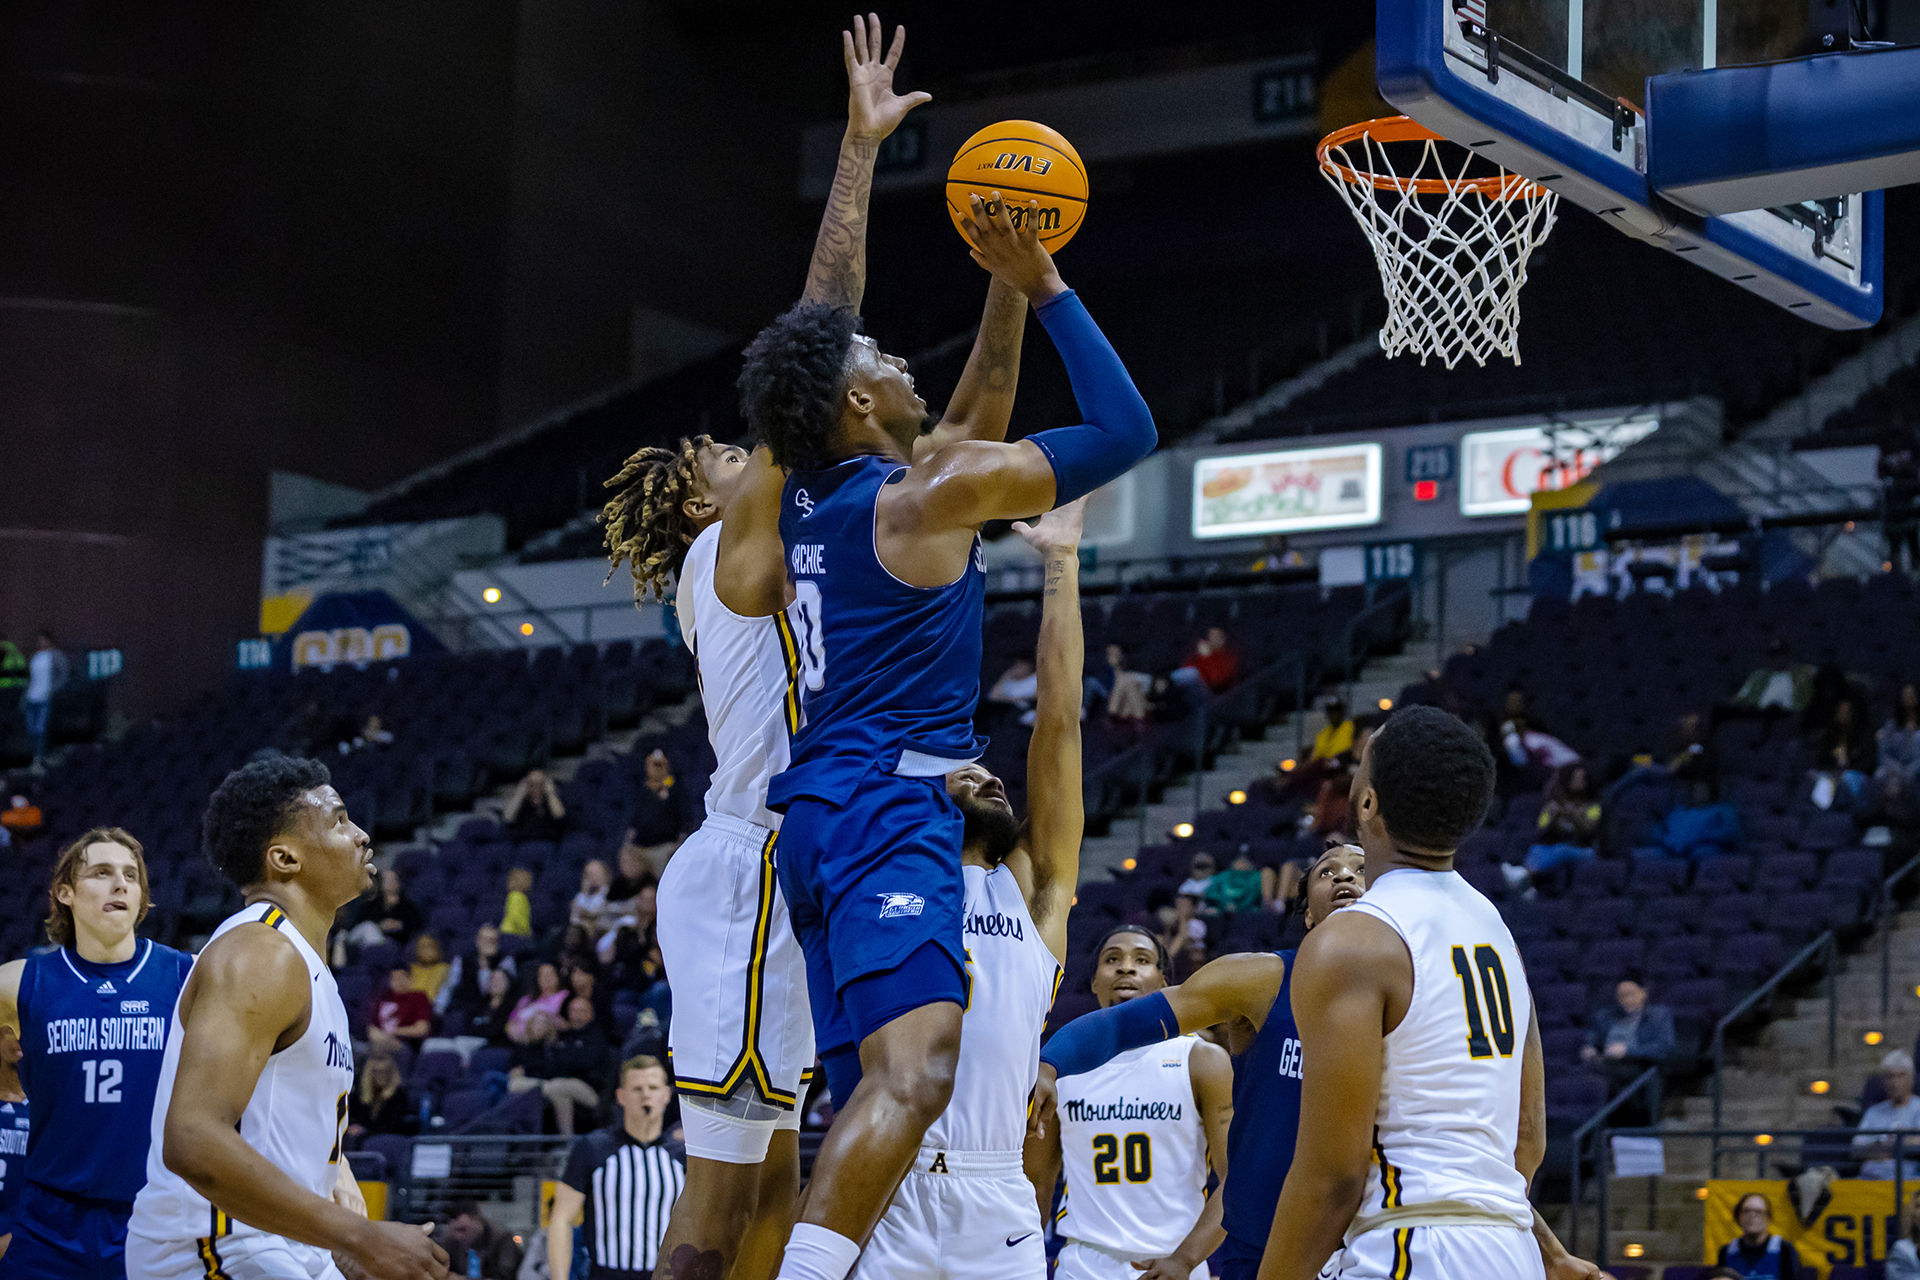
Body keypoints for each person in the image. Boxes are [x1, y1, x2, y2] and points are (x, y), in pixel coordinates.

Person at [723, 17, 1153, 1280]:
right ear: (859, 404)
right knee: (917, 1070)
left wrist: (887, 173)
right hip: (882, 802)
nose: (901, 362)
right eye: (881, 361)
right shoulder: (916, 503)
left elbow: (888, 361)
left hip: (822, 806)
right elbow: (1125, 427)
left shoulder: (816, 489)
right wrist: (1058, 286)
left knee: (886, 1072)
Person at [851, 498, 1087, 1279]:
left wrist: (1061, 563)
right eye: (960, 764)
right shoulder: (886, 875)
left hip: (997, 1194)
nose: (985, 769)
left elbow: (1059, 724)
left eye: (988, 765)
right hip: (890, 1179)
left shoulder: (1032, 892)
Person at [1264, 706, 1574, 1280]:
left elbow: (1332, 1178)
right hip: (1510, 1247)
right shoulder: (1496, 928)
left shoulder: (1352, 942)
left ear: (1367, 804)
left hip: (1414, 1245)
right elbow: (1527, 1137)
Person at [126, 755, 447, 1280]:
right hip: (215, 1250)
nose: (363, 835)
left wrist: (333, 1225)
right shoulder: (260, 952)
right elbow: (190, 1137)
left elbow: (276, 1130)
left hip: (274, 1246)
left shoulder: (303, 962)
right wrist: (362, 1237)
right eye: (340, 821)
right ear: (285, 858)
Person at [1033, 846, 1369, 1280]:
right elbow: (1122, 1025)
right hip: (1262, 1247)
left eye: (1361, 870)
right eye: (1328, 872)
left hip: (1371, 1236)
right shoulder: (1260, 980)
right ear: (1306, 916)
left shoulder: (1421, 992)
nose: (1344, 877)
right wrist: (1050, 1063)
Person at [0, 828, 194, 1280]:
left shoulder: (187, 975)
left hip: (154, 1216)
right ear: (64, 892)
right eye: (102, 872)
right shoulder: (21, 981)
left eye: (131, 875)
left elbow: (276, 1064)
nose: (120, 883)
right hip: (48, 1221)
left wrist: (335, 1159)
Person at [1037, 925, 1233, 1280]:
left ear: (1164, 983)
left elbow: (1238, 1178)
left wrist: (1185, 1260)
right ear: (1094, 981)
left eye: (1142, 960)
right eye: (1112, 960)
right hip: (1084, 1263)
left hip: (1176, 1262)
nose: (1126, 968)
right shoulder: (1057, 1069)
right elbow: (1036, 1184)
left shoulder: (1202, 1060)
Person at [549, 1056, 686, 1280]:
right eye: (637, 1088)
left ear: (666, 1095)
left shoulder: (682, 1157)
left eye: (652, 1087)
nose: (645, 1095)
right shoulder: (593, 1148)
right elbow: (561, 1218)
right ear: (621, 1096)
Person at [1580, 979, 1675, 1123]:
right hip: (1607, 1065)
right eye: (1621, 996)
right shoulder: (1606, 1016)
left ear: (1644, 992)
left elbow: (1665, 1048)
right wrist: (1590, 1047)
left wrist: (1628, 1050)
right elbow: (1593, 1036)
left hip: (1640, 1067)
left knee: (1602, 1082)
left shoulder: (1659, 1015)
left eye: (1630, 994)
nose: (1626, 1000)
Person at [1524, 764, 1603, 880]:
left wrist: (1572, 813)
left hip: (1582, 849)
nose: (1576, 782)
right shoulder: (1554, 804)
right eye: (1574, 778)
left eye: (1580, 778)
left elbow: (1588, 829)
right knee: (1536, 849)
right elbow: (1540, 828)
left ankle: (1528, 876)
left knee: (1560, 851)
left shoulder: (1593, 807)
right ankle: (1526, 877)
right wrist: (1552, 816)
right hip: (1555, 846)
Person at [1854, 1049, 1920, 1179]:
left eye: (1900, 1076)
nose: (1894, 1082)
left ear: (1910, 1078)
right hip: (1869, 1181)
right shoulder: (1874, 1112)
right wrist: (1888, 1147)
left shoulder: (1918, 1108)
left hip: (1907, 1182)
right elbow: (1856, 1149)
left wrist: (1901, 1142)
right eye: (1889, 1076)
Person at [628, 751, 695, 875]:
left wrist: (679, 844)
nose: (656, 769)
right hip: (641, 847)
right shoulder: (641, 790)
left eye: (660, 765)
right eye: (654, 765)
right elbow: (633, 822)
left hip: (665, 847)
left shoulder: (674, 788)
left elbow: (685, 820)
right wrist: (627, 845)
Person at [1714, 1193, 1803, 1279]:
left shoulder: (1784, 1250)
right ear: (1739, 1217)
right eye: (1746, 1211)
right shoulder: (1726, 1252)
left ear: (1768, 1218)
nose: (1752, 1216)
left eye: (1758, 1212)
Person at [439, 923, 518, 1018]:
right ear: (477, 941)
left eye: (492, 940)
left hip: (496, 1014)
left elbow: (510, 992)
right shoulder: (462, 961)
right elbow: (448, 987)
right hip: (467, 1011)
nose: (488, 943)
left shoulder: (505, 961)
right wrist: (439, 1010)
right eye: (484, 939)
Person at [438, 1200, 524, 1280]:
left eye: (463, 1229)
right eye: (454, 1231)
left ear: (476, 1221)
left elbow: (505, 1275)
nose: (458, 1236)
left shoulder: (502, 1239)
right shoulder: (452, 1242)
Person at [0, 1023, 29, 1259]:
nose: (16, 1039)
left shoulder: (44, 1108)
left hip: (24, 1239)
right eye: (8, 1031)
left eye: (22, 1031)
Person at [23, 631, 70, 767]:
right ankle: (31, 757)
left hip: (45, 698)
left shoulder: (55, 656)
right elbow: (30, 676)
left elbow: (64, 674)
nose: (41, 643)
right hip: (32, 697)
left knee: (40, 729)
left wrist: (53, 689)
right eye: (39, 640)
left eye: (43, 640)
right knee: (30, 729)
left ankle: (38, 758)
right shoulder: (35, 656)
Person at [348, 867, 423, 951]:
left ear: (398, 883)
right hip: (370, 939)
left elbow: (417, 925)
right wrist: (380, 925)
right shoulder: (371, 903)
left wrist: (399, 925)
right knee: (369, 929)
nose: (391, 883)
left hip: (396, 941)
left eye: (393, 879)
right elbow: (362, 922)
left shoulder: (408, 905)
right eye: (387, 880)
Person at [347, 1053, 418, 1141]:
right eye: (376, 1072)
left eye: (384, 1072)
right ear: (369, 1074)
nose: (380, 1076)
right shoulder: (358, 1095)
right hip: (361, 1141)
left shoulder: (399, 1095)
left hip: (388, 1141)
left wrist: (365, 1131)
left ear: (391, 1073)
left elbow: (393, 1126)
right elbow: (352, 1117)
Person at [371, 967, 435, 1054]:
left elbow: (421, 1029)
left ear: (411, 979)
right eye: (395, 978)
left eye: (403, 977)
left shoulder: (419, 997)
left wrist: (393, 1033)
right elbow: (371, 1028)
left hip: (407, 1043)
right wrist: (384, 1038)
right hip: (378, 1042)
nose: (400, 982)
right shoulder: (382, 997)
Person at [508, 964, 569, 1043]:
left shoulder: (565, 996)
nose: (547, 978)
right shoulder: (526, 1000)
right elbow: (512, 1022)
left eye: (550, 974)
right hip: (524, 1041)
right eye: (543, 975)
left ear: (557, 976)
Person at [504, 769, 568, 843]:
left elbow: (559, 815)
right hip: (524, 845)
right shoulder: (521, 803)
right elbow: (508, 818)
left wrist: (550, 793)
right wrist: (520, 793)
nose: (536, 788)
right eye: (532, 784)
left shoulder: (552, 800)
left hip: (548, 843)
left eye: (540, 784)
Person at [1176, 627, 1238, 693]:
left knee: (1192, 673)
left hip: (1215, 695)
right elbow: (1184, 670)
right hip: (1189, 691)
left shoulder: (1229, 657)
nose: (1214, 639)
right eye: (1211, 636)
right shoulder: (1199, 653)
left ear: (1224, 638)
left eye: (1217, 636)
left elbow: (1216, 682)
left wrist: (1206, 657)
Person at [409, 932, 451, 1004]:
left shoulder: (446, 970)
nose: (427, 950)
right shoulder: (409, 971)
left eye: (431, 946)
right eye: (423, 947)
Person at [501, 867, 535, 937]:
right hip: (512, 933)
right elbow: (515, 918)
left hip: (514, 932)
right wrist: (525, 932)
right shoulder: (516, 896)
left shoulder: (521, 897)